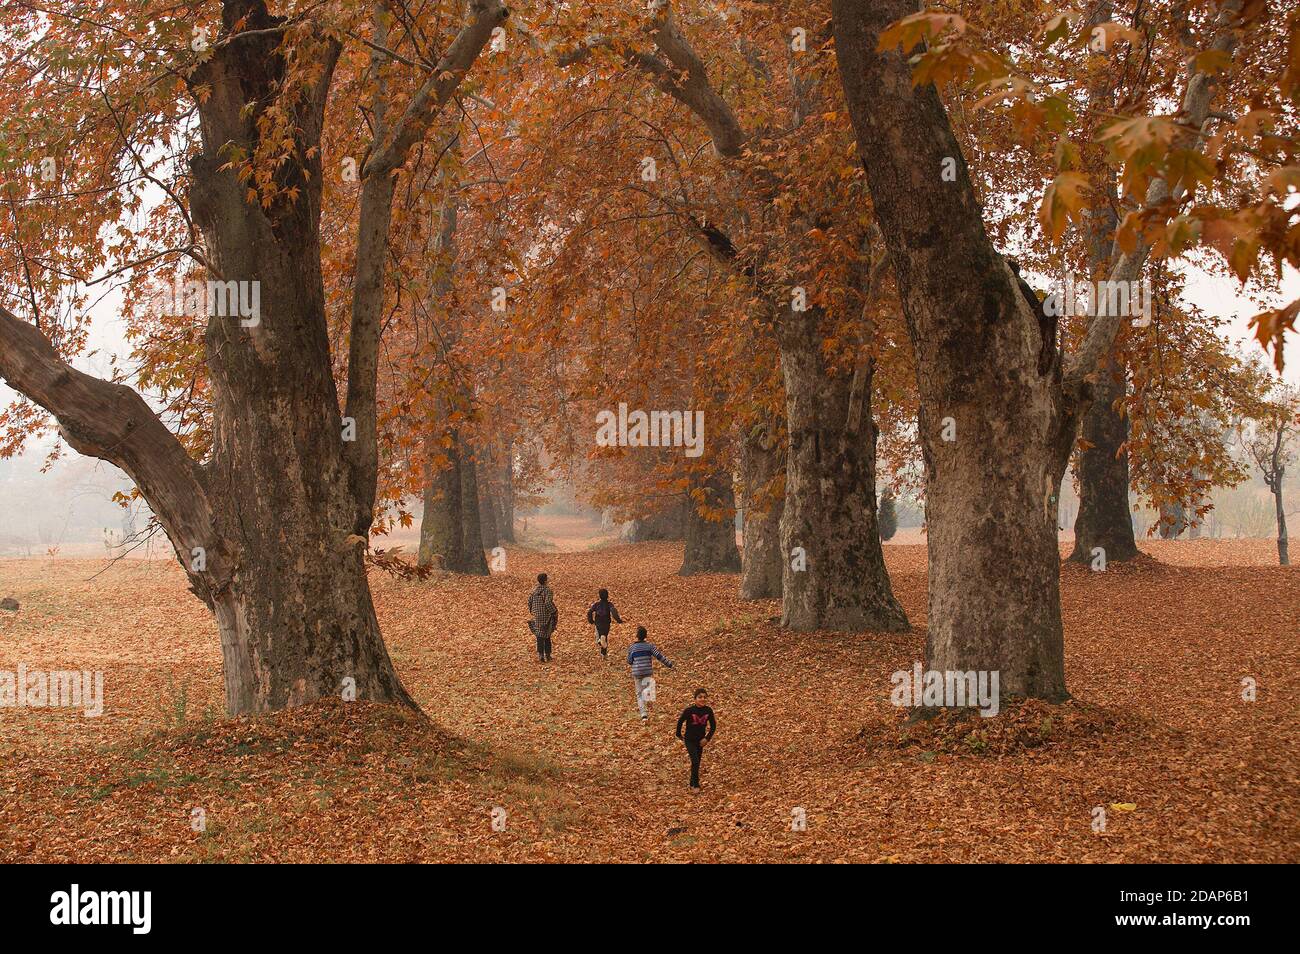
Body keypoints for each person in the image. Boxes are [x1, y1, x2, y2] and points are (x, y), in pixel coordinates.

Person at [627, 625, 672, 723]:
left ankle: (644, 715)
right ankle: (649, 704)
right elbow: (659, 656)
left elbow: (629, 661)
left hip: (637, 672)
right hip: (647, 671)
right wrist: (669, 664)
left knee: (639, 694)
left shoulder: (632, 648)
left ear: (636, 636)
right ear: (645, 636)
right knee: (647, 690)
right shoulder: (649, 646)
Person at [676, 689, 716, 791]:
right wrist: (679, 735)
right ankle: (696, 784)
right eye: (700, 697)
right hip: (689, 740)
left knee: (697, 762)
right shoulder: (689, 711)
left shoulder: (708, 710)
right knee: (695, 760)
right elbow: (680, 722)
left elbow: (713, 726)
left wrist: (707, 738)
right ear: (695, 699)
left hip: (700, 741)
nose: (702, 699)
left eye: (704, 697)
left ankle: (691, 781)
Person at [586, 588, 624, 660]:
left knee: (599, 636)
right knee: (605, 637)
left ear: (599, 596)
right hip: (606, 623)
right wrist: (619, 620)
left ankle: (599, 641)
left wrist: (591, 620)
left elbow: (589, 612)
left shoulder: (596, 604)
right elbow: (614, 612)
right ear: (608, 596)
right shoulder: (609, 604)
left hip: (598, 623)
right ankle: (604, 654)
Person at [527, 573, 557, 663]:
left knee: (539, 635)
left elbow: (529, 602)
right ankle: (547, 655)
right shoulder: (548, 590)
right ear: (545, 581)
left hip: (537, 615)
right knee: (547, 634)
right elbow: (548, 603)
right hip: (546, 615)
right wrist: (553, 611)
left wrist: (533, 611)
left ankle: (540, 655)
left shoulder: (534, 590)